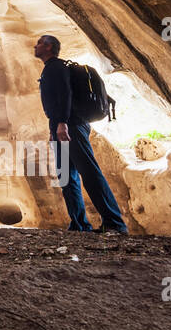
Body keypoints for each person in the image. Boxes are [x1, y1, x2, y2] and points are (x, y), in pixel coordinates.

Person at [34, 35, 128, 234]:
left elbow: (65, 95)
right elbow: (54, 102)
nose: (36, 46)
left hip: (72, 126)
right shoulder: (51, 68)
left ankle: (114, 223)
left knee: (90, 173)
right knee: (67, 177)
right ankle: (79, 224)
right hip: (63, 126)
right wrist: (54, 128)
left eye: (40, 42)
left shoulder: (56, 67)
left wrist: (62, 123)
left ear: (49, 47)